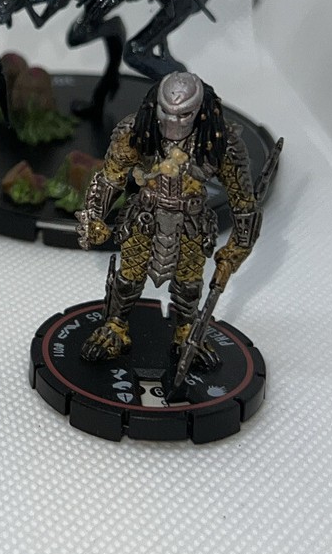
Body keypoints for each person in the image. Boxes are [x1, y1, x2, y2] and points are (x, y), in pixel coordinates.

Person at [75, 72, 260, 367]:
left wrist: (237, 248)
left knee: (189, 282)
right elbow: (110, 179)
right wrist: (94, 216)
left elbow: (244, 204)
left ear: (199, 111)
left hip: (191, 222)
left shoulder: (219, 140)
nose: (174, 121)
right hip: (144, 217)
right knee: (128, 277)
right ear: (156, 106)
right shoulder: (136, 130)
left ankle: (186, 329)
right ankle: (115, 326)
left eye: (184, 114)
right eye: (167, 112)